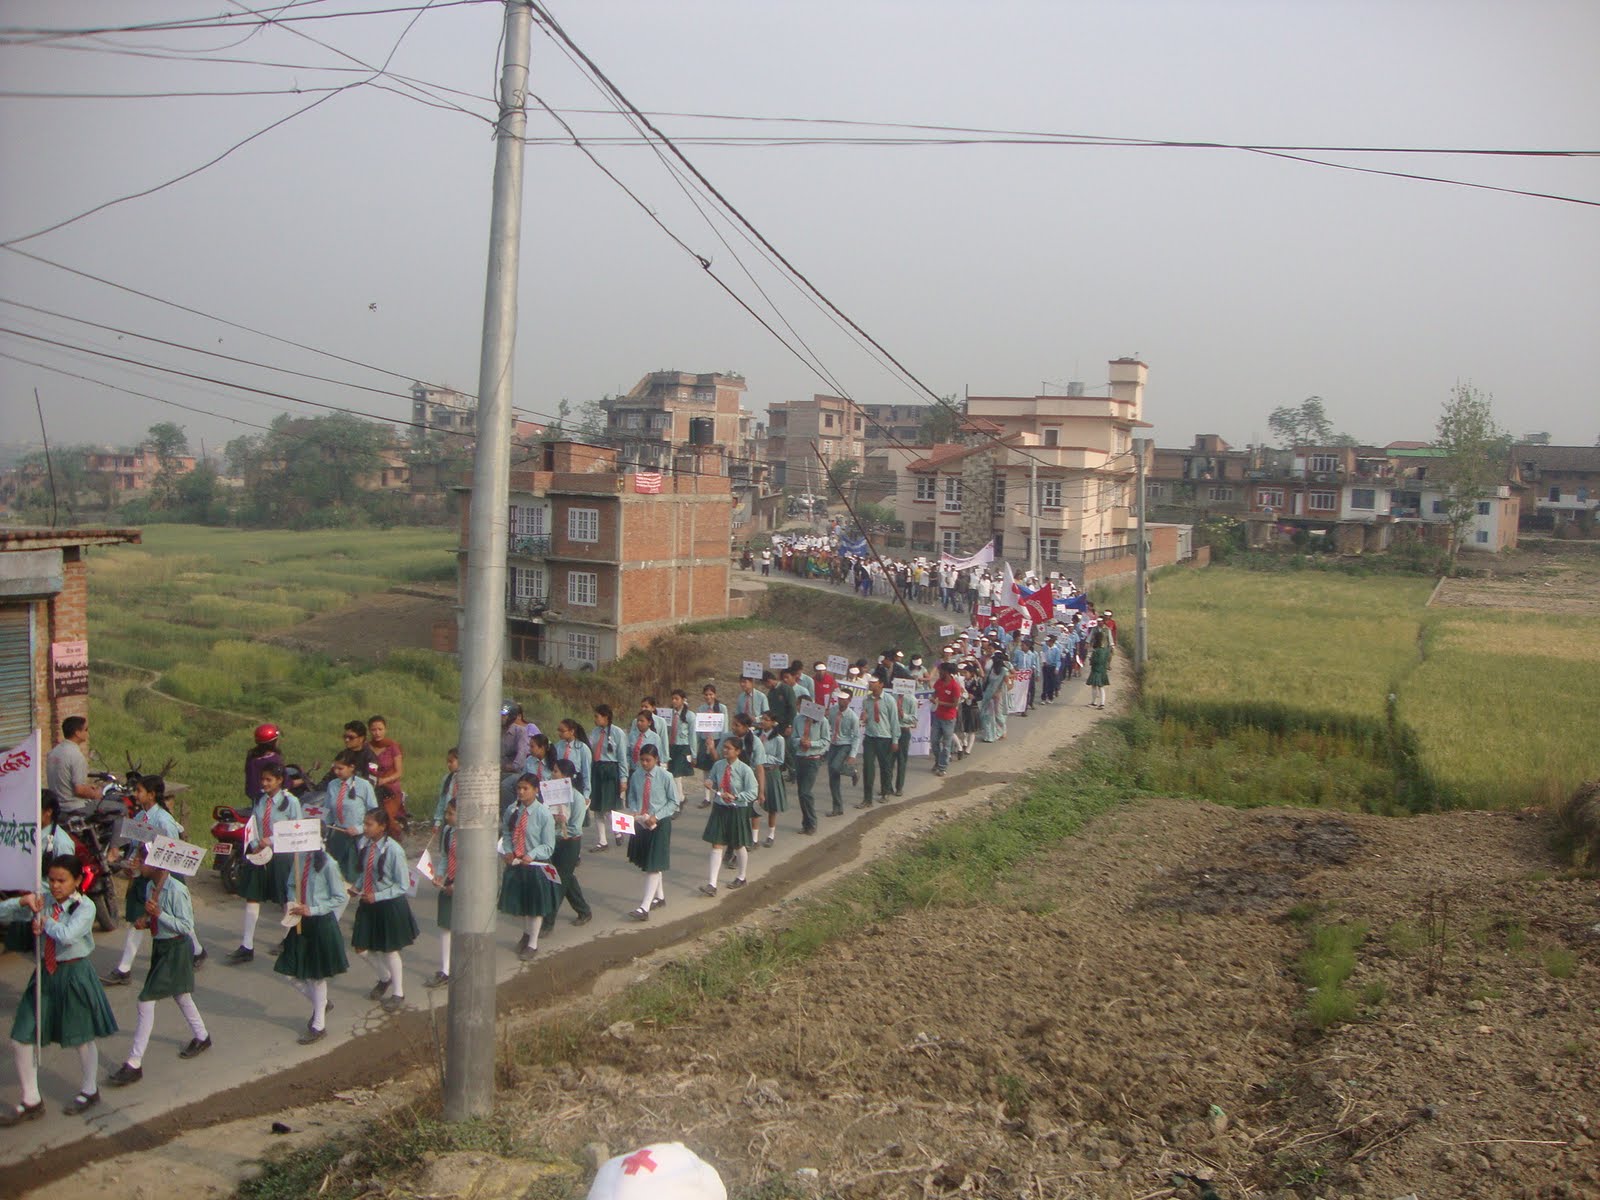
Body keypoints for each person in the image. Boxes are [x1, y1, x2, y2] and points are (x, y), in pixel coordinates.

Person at [0, 854, 118, 1123]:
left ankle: (89, 1090)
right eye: (51, 880)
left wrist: (44, 922)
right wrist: (23, 901)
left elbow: (67, 935)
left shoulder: (85, 907)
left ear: (77, 880)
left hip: (74, 972)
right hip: (44, 973)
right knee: (21, 1035)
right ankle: (31, 1098)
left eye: (61, 880)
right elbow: (3, 913)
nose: (55, 886)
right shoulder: (43, 899)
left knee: (80, 1035)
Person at [105, 862, 212, 1086]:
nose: (137, 864)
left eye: (142, 860)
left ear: (155, 864)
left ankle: (134, 1062)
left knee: (146, 1001)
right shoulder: (150, 887)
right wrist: (146, 920)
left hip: (175, 949)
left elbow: (185, 925)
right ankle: (202, 1036)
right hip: (161, 947)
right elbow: (154, 916)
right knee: (181, 995)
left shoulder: (176, 890)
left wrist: (159, 914)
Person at [102, 775, 186, 987]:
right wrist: (131, 864)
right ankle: (124, 969)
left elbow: (173, 852)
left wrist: (160, 882)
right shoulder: (140, 816)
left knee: (172, 919)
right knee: (138, 919)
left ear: (152, 794)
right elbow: (133, 846)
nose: (136, 795)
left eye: (139, 791)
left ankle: (195, 952)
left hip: (161, 877)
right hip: (143, 875)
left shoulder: (164, 821)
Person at [227, 763, 302, 965]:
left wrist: (271, 841)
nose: (265, 783)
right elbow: (253, 824)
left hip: (282, 855)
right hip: (259, 854)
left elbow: (297, 829)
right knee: (253, 896)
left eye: (269, 780)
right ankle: (247, 945)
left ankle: (289, 939)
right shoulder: (260, 800)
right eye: (263, 779)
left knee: (286, 897)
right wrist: (255, 845)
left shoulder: (290, 802)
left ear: (279, 780)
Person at [275, 844, 349, 1045]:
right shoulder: (300, 859)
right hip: (300, 921)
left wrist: (314, 909)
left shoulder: (329, 864)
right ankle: (321, 1003)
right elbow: (291, 884)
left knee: (316, 975)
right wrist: (293, 902)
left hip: (320, 922)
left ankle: (319, 1026)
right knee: (289, 971)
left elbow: (340, 897)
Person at [349, 807, 417, 1013]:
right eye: (364, 823)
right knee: (360, 947)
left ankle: (398, 993)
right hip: (368, 903)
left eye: (369, 824)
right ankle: (385, 977)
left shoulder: (394, 850)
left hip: (388, 905)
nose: (365, 828)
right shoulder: (366, 846)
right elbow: (366, 872)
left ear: (382, 826)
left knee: (389, 950)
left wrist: (377, 896)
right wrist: (357, 887)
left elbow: (402, 885)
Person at [4, 793, 76, 956]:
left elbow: (67, 883)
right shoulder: (27, 832)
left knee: (49, 954)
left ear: (48, 812)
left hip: (48, 906)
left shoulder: (61, 842)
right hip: (28, 902)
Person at [498, 774, 560, 961]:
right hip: (517, 863)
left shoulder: (543, 814)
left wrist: (531, 854)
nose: (521, 792)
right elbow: (508, 832)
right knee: (522, 903)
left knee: (535, 906)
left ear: (536, 790)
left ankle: (533, 943)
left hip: (535, 866)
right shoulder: (512, 810)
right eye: (519, 788)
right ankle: (526, 934)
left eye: (526, 789)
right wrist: (508, 851)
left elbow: (548, 845)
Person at [623, 744, 678, 920]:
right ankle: (660, 897)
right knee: (650, 860)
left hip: (659, 824)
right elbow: (632, 796)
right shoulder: (637, 775)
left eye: (649, 760)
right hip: (642, 822)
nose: (645, 763)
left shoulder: (665, 776)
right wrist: (634, 810)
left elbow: (673, 802)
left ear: (656, 760)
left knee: (653, 865)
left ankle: (644, 908)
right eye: (642, 760)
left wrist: (657, 816)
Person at [698, 738, 757, 897]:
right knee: (716, 843)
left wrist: (736, 796)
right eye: (724, 748)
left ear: (737, 751)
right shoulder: (718, 765)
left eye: (728, 748)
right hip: (720, 807)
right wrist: (709, 782)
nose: (725, 751)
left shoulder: (745, 770)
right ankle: (712, 883)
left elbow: (753, 792)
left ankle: (742, 876)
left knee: (738, 844)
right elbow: (712, 778)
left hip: (737, 809)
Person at [547, 759, 593, 929]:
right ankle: (584, 910)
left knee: (558, 881)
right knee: (566, 878)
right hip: (553, 841)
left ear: (565, 776)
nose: (552, 774)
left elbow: (574, 827)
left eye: (556, 771)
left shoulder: (577, 798)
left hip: (569, 843)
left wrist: (560, 825)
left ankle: (547, 921)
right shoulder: (550, 796)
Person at [324, 749, 378, 879]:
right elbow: (327, 811)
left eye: (340, 768)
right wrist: (324, 830)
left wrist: (360, 829)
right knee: (336, 872)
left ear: (351, 767)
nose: (336, 772)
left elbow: (374, 813)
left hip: (358, 837)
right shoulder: (332, 785)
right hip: (338, 835)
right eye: (334, 768)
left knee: (354, 872)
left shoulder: (364, 786)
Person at [424, 798, 457, 989]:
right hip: (450, 884)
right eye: (446, 813)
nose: (447, 817)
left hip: (467, 887)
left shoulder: (472, 836)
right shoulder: (447, 831)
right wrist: (439, 875)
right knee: (446, 925)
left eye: (451, 813)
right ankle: (445, 970)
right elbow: (446, 857)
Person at [587, 706, 625, 852]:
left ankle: (618, 831)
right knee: (597, 807)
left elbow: (621, 757)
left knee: (609, 807)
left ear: (606, 717)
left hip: (610, 771)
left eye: (597, 716)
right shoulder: (595, 732)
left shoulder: (617, 733)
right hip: (597, 769)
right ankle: (602, 841)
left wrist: (623, 778)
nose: (595, 719)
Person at [858, 676, 900, 808]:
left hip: (884, 737)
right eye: (870, 683)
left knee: (885, 766)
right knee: (868, 767)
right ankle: (867, 798)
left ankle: (885, 791)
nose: (870, 685)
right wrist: (863, 718)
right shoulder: (866, 700)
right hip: (870, 736)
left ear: (881, 684)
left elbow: (894, 721)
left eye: (873, 683)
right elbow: (865, 718)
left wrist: (895, 740)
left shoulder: (889, 700)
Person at [45, 716, 97, 817]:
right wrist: (95, 794)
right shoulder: (76, 756)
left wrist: (88, 787)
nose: (87, 733)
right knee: (118, 808)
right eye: (86, 730)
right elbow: (79, 790)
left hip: (58, 806)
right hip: (75, 807)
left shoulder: (53, 753)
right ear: (77, 733)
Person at [791, 697, 827, 836]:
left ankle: (812, 822)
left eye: (802, 705)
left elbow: (825, 741)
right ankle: (805, 823)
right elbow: (793, 738)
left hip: (813, 758)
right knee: (801, 793)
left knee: (806, 792)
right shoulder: (797, 720)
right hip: (800, 757)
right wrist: (799, 741)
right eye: (798, 705)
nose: (799, 708)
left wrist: (811, 744)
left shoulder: (821, 720)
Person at [824, 690, 862, 818]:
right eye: (840, 698)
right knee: (832, 777)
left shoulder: (852, 717)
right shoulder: (833, 711)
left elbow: (856, 736)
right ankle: (837, 807)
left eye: (844, 699)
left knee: (835, 766)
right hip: (833, 744)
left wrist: (852, 755)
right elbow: (827, 724)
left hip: (845, 744)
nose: (841, 701)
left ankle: (852, 772)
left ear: (849, 700)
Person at [367, 715, 406, 831]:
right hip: (371, 785)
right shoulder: (367, 747)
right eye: (373, 730)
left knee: (387, 818)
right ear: (369, 731)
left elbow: (399, 772)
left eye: (380, 729)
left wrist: (383, 780)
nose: (377, 733)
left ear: (385, 729)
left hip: (390, 787)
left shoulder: (392, 747)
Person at [756, 711, 788, 846]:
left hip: (771, 772)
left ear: (773, 723)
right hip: (758, 772)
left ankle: (771, 834)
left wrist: (763, 758)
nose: (763, 722)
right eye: (762, 719)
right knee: (755, 804)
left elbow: (780, 759)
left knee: (772, 806)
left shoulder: (779, 739)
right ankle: (754, 837)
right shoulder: (757, 736)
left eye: (767, 720)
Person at [694, 685, 730, 789]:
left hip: (717, 741)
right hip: (704, 741)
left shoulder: (722, 708)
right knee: (706, 769)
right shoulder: (701, 708)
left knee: (718, 766)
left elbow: (725, 727)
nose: (708, 697)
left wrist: (723, 743)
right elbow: (698, 728)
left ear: (715, 695)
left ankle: (719, 789)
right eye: (706, 694)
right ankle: (706, 796)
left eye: (711, 694)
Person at [931, 661, 962, 776]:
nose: (939, 673)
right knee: (934, 741)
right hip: (938, 716)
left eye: (941, 671)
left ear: (947, 672)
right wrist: (933, 698)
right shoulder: (939, 682)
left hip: (948, 719)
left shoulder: (955, 686)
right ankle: (937, 761)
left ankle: (943, 766)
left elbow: (954, 704)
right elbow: (935, 692)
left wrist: (940, 703)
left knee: (946, 744)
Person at [244, 723, 284, 807]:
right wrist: (302, 780)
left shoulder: (252, 757)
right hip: (270, 797)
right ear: (273, 742)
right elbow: (286, 782)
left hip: (255, 797)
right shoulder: (274, 758)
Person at [979, 651, 1011, 743]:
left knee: (998, 713)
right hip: (988, 693)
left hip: (998, 695)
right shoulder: (991, 669)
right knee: (987, 714)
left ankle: (1002, 731)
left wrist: (998, 692)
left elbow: (1007, 683)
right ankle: (989, 733)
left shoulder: (1004, 671)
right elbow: (987, 679)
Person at [664, 689, 696, 781]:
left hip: (682, 747)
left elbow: (692, 735)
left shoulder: (690, 715)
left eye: (676, 699)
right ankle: (678, 794)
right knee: (670, 772)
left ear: (683, 700)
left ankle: (679, 795)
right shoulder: (669, 714)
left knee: (677, 774)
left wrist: (694, 754)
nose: (674, 701)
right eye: (672, 699)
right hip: (671, 747)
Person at [892, 683, 917, 795]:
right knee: (889, 760)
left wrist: (904, 715)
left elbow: (914, 719)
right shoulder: (892, 697)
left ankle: (899, 787)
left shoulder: (911, 700)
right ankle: (887, 786)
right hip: (892, 730)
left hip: (904, 730)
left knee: (901, 760)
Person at [431, 746, 459, 827]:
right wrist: (438, 821)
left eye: (451, 762)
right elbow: (442, 800)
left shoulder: (466, 779)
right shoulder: (447, 779)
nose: (448, 764)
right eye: (447, 762)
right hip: (448, 818)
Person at [1086, 629, 1112, 708]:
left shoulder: (1096, 651)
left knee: (1094, 686)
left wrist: (1090, 658)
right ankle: (1102, 703)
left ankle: (1094, 702)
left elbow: (1095, 661)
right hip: (1103, 670)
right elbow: (1108, 659)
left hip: (1096, 670)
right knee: (1101, 687)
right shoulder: (1107, 650)